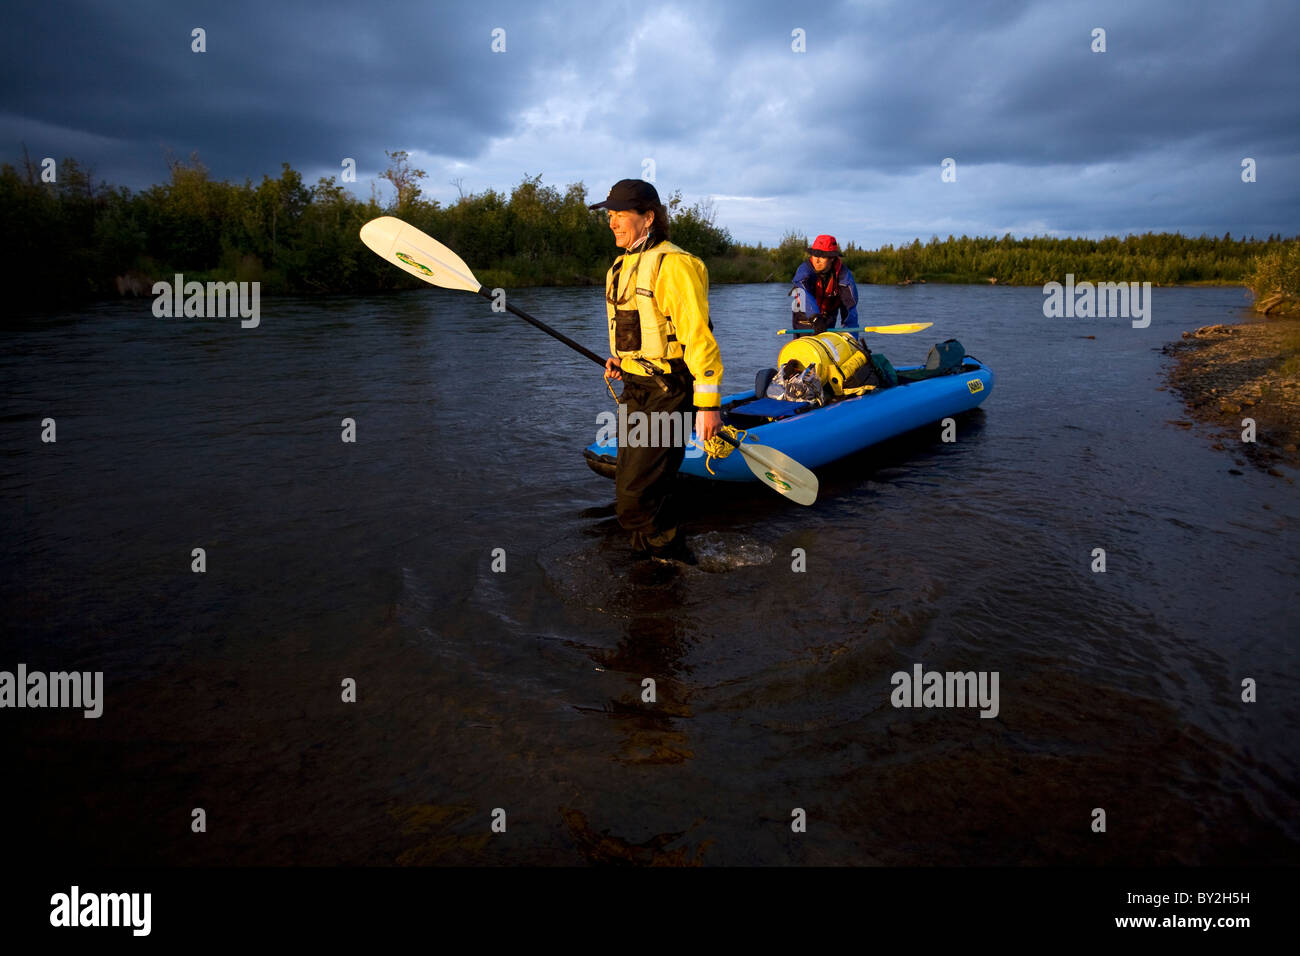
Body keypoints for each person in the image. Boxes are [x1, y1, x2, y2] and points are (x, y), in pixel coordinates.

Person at [589, 179, 724, 562]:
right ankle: (652, 565)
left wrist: (709, 406)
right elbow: (640, 329)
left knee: (636, 496)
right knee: (632, 491)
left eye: (621, 215)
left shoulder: (675, 264)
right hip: (635, 386)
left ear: (648, 217)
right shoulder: (620, 265)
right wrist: (622, 360)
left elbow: (699, 339)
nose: (612, 223)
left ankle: (673, 564)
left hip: (669, 391)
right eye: (610, 215)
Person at [791, 234, 859, 332]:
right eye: (815, 255)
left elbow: (849, 308)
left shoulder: (844, 275)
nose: (817, 260)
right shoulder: (805, 270)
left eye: (822, 256)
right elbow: (802, 292)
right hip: (804, 317)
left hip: (828, 316)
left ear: (832, 258)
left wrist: (851, 335)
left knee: (829, 342)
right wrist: (815, 317)